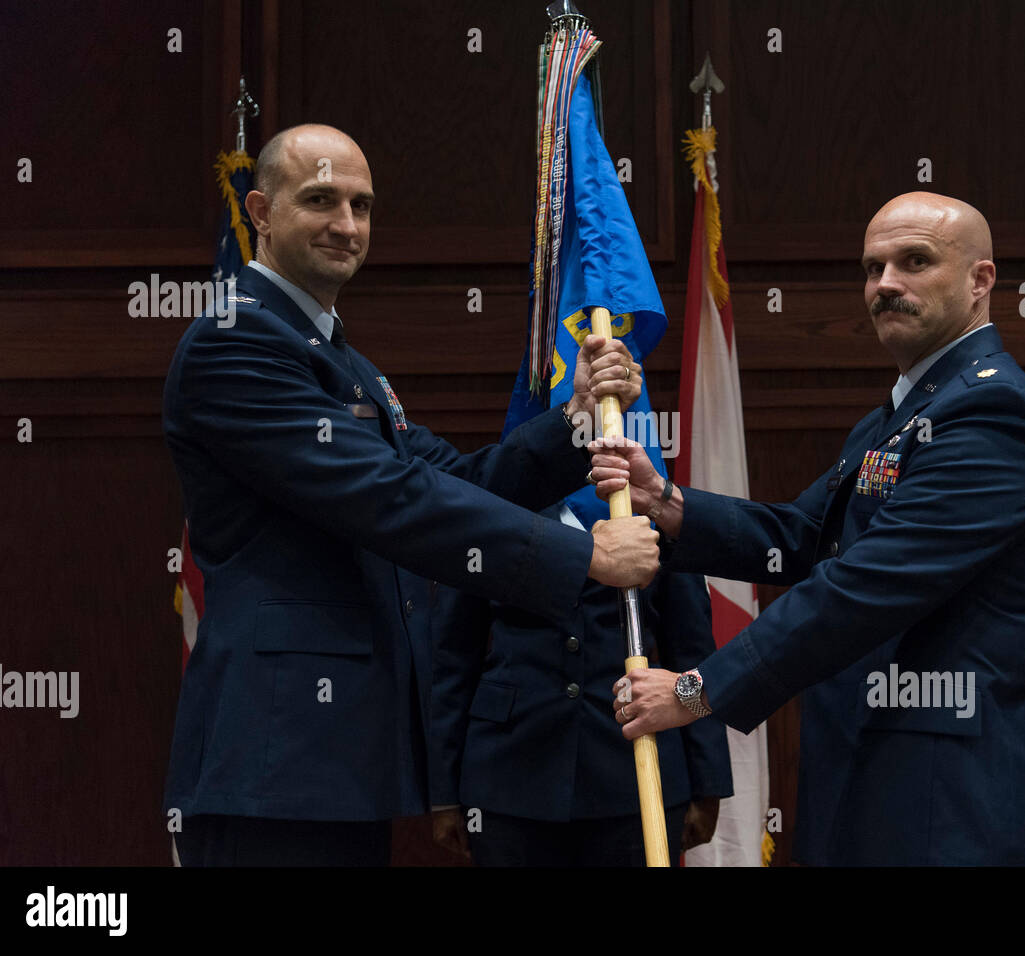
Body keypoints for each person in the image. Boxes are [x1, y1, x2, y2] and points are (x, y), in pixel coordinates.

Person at [163, 123, 659, 866]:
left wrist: (577, 419)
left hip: (332, 756)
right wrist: (582, 556)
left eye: (362, 206)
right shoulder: (234, 341)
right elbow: (388, 498)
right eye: (321, 200)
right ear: (260, 213)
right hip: (275, 754)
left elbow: (449, 483)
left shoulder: (341, 358)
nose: (347, 225)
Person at [592, 192, 1025, 865]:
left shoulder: (996, 414)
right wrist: (668, 501)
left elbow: (863, 586)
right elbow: (803, 535)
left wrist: (693, 691)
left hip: (944, 797)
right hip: (866, 769)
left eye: (914, 262)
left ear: (980, 280)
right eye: (872, 268)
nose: (886, 285)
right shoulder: (903, 414)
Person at [429, 498, 733, 867]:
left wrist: (708, 786)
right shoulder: (492, 504)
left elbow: (692, 654)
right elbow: (454, 656)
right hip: (508, 776)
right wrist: (443, 793)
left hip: (636, 775)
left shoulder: (652, 515)